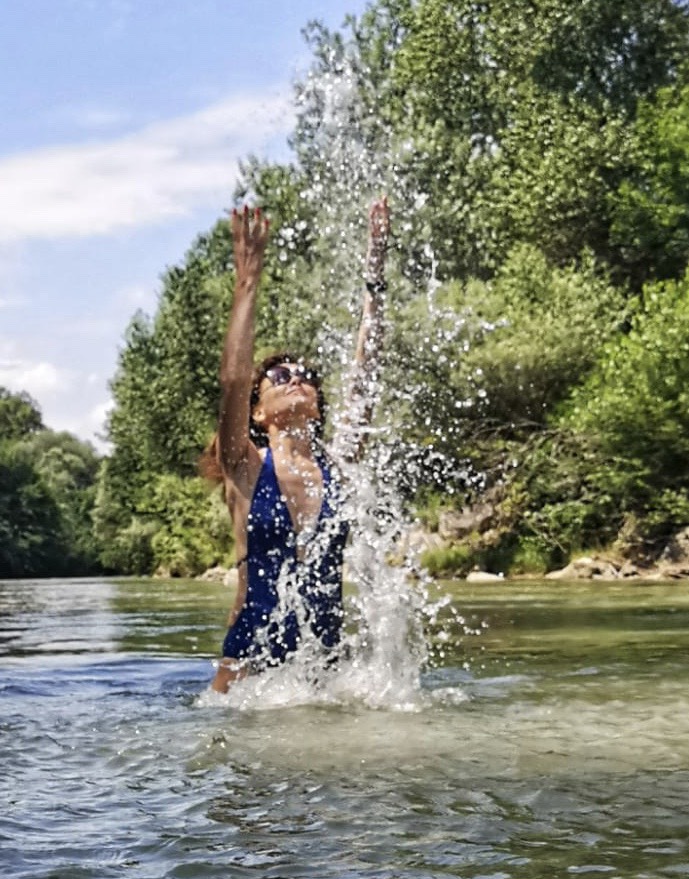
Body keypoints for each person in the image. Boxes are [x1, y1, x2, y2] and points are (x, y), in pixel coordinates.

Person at [204, 197, 390, 693]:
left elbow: (367, 372)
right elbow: (232, 380)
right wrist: (247, 282)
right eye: (279, 375)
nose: (295, 378)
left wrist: (375, 277)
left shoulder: (341, 462)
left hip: (322, 662)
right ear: (258, 412)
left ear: (318, 404)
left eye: (305, 375)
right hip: (249, 666)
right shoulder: (244, 466)